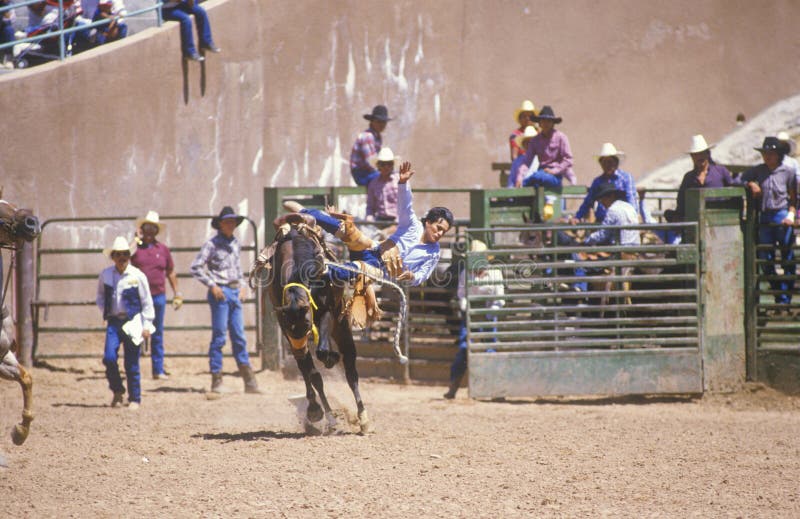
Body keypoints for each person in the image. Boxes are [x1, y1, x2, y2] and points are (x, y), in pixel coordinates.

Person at [287, 161, 454, 287]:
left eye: (443, 232)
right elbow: (405, 206)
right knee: (346, 230)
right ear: (429, 222)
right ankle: (305, 213)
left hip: (381, 271)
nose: (439, 234)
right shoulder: (413, 225)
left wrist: (412, 276)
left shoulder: (434, 253)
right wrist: (403, 184)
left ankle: (322, 271)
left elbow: (422, 275)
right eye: (438, 228)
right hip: (372, 248)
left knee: (360, 268)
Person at [190, 206, 261, 394]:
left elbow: (237, 268)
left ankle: (249, 381)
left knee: (239, 336)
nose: (231, 225)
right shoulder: (211, 244)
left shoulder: (235, 243)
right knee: (220, 336)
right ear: (220, 224)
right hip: (220, 293)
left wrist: (244, 285)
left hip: (234, 292)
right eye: (227, 221)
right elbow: (196, 267)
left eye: (233, 222)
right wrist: (212, 285)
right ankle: (216, 379)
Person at [96, 235, 154, 410]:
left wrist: (146, 325)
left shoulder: (138, 275)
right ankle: (117, 390)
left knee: (132, 362)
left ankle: (135, 398)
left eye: (125, 255)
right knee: (109, 357)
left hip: (133, 322)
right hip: (114, 321)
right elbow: (100, 296)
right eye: (118, 254)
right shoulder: (105, 275)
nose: (122, 258)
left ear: (129, 256)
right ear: (113, 256)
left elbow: (147, 302)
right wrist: (105, 310)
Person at [444, 240, 504, 400]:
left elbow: (500, 298)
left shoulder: (495, 273)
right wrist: (464, 304)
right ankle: (453, 386)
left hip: (489, 316)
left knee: (490, 350)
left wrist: (492, 310)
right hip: (470, 316)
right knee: (464, 349)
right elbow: (461, 294)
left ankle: (495, 389)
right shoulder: (466, 273)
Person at [743, 136, 797, 306]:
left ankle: (785, 298)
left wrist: (791, 215)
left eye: (771, 153)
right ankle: (779, 294)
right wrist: (751, 183)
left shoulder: (788, 171)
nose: (768, 156)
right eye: (765, 153)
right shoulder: (758, 170)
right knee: (765, 258)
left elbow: (794, 196)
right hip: (765, 215)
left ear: (778, 155)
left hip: (781, 214)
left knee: (787, 256)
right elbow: (739, 178)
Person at [130, 211, 181, 380]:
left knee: (157, 332)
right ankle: (133, 368)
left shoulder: (163, 249)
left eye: (153, 228)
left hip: (158, 296)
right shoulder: (135, 248)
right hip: (138, 297)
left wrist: (177, 293)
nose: (150, 231)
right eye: (147, 227)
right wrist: (135, 239)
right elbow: (123, 257)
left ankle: (157, 370)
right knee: (137, 332)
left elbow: (171, 271)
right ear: (142, 229)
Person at [671, 134, 738, 221]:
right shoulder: (688, 177)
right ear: (692, 157)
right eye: (696, 155)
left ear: (707, 154)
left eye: (702, 153)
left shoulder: (721, 171)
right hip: (696, 221)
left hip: (718, 220)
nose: (699, 157)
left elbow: (734, 188)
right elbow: (681, 201)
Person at [572, 142, 639, 224]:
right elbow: (588, 201)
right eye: (604, 162)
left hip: (620, 221)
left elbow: (631, 199)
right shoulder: (597, 181)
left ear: (616, 162)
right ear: (601, 164)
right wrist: (577, 217)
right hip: (601, 221)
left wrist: (632, 218)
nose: (607, 165)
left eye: (610, 162)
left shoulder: (626, 178)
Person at [517, 105, 577, 188]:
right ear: (539, 123)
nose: (546, 123)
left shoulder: (561, 138)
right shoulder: (535, 141)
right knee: (530, 182)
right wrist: (520, 177)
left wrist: (554, 171)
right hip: (541, 173)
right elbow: (526, 161)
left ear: (553, 123)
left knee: (536, 178)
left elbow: (568, 160)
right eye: (543, 120)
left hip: (555, 176)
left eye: (549, 121)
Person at [349, 105, 392, 186]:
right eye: (379, 121)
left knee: (393, 177)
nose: (382, 125)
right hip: (362, 174)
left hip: (370, 172)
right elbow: (371, 162)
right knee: (388, 178)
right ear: (372, 121)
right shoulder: (368, 136)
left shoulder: (377, 137)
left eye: (384, 122)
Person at [365, 147, 399, 222]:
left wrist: (401, 217)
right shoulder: (373, 183)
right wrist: (369, 216)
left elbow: (406, 203)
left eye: (389, 164)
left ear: (392, 165)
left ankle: (383, 233)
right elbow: (370, 206)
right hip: (380, 220)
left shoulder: (399, 180)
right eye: (383, 164)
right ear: (378, 165)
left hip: (397, 220)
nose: (386, 167)